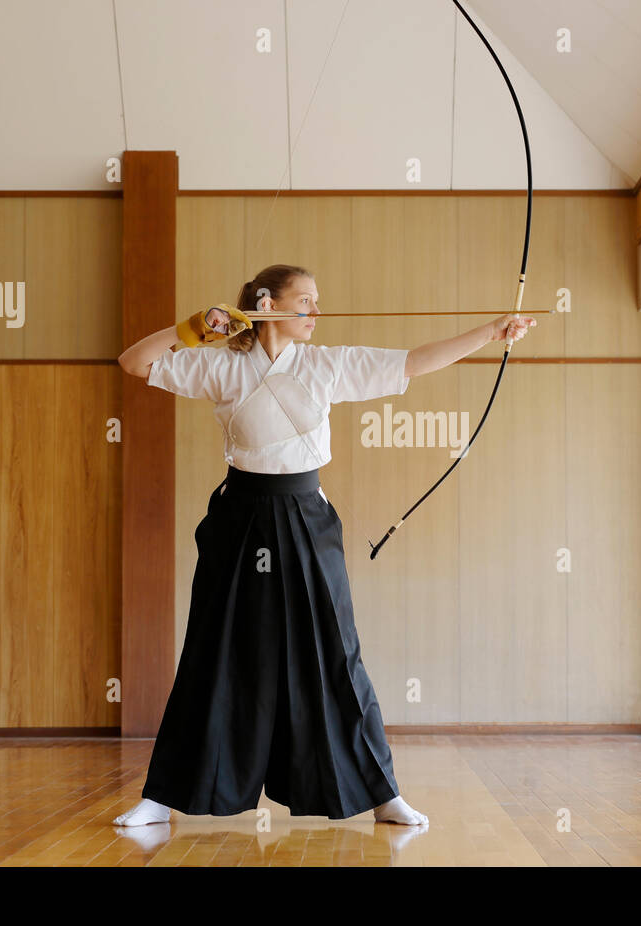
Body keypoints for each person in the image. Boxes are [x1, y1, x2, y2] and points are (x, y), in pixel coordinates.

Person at [113, 263, 535, 827]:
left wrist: (490, 332)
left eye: (317, 302)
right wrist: (194, 328)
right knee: (213, 648)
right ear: (266, 303)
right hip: (239, 518)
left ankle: (382, 793)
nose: (316, 311)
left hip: (307, 518)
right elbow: (134, 362)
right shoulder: (222, 365)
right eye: (305, 300)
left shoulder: (326, 365)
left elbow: (411, 362)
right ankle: (163, 796)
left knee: (335, 651)